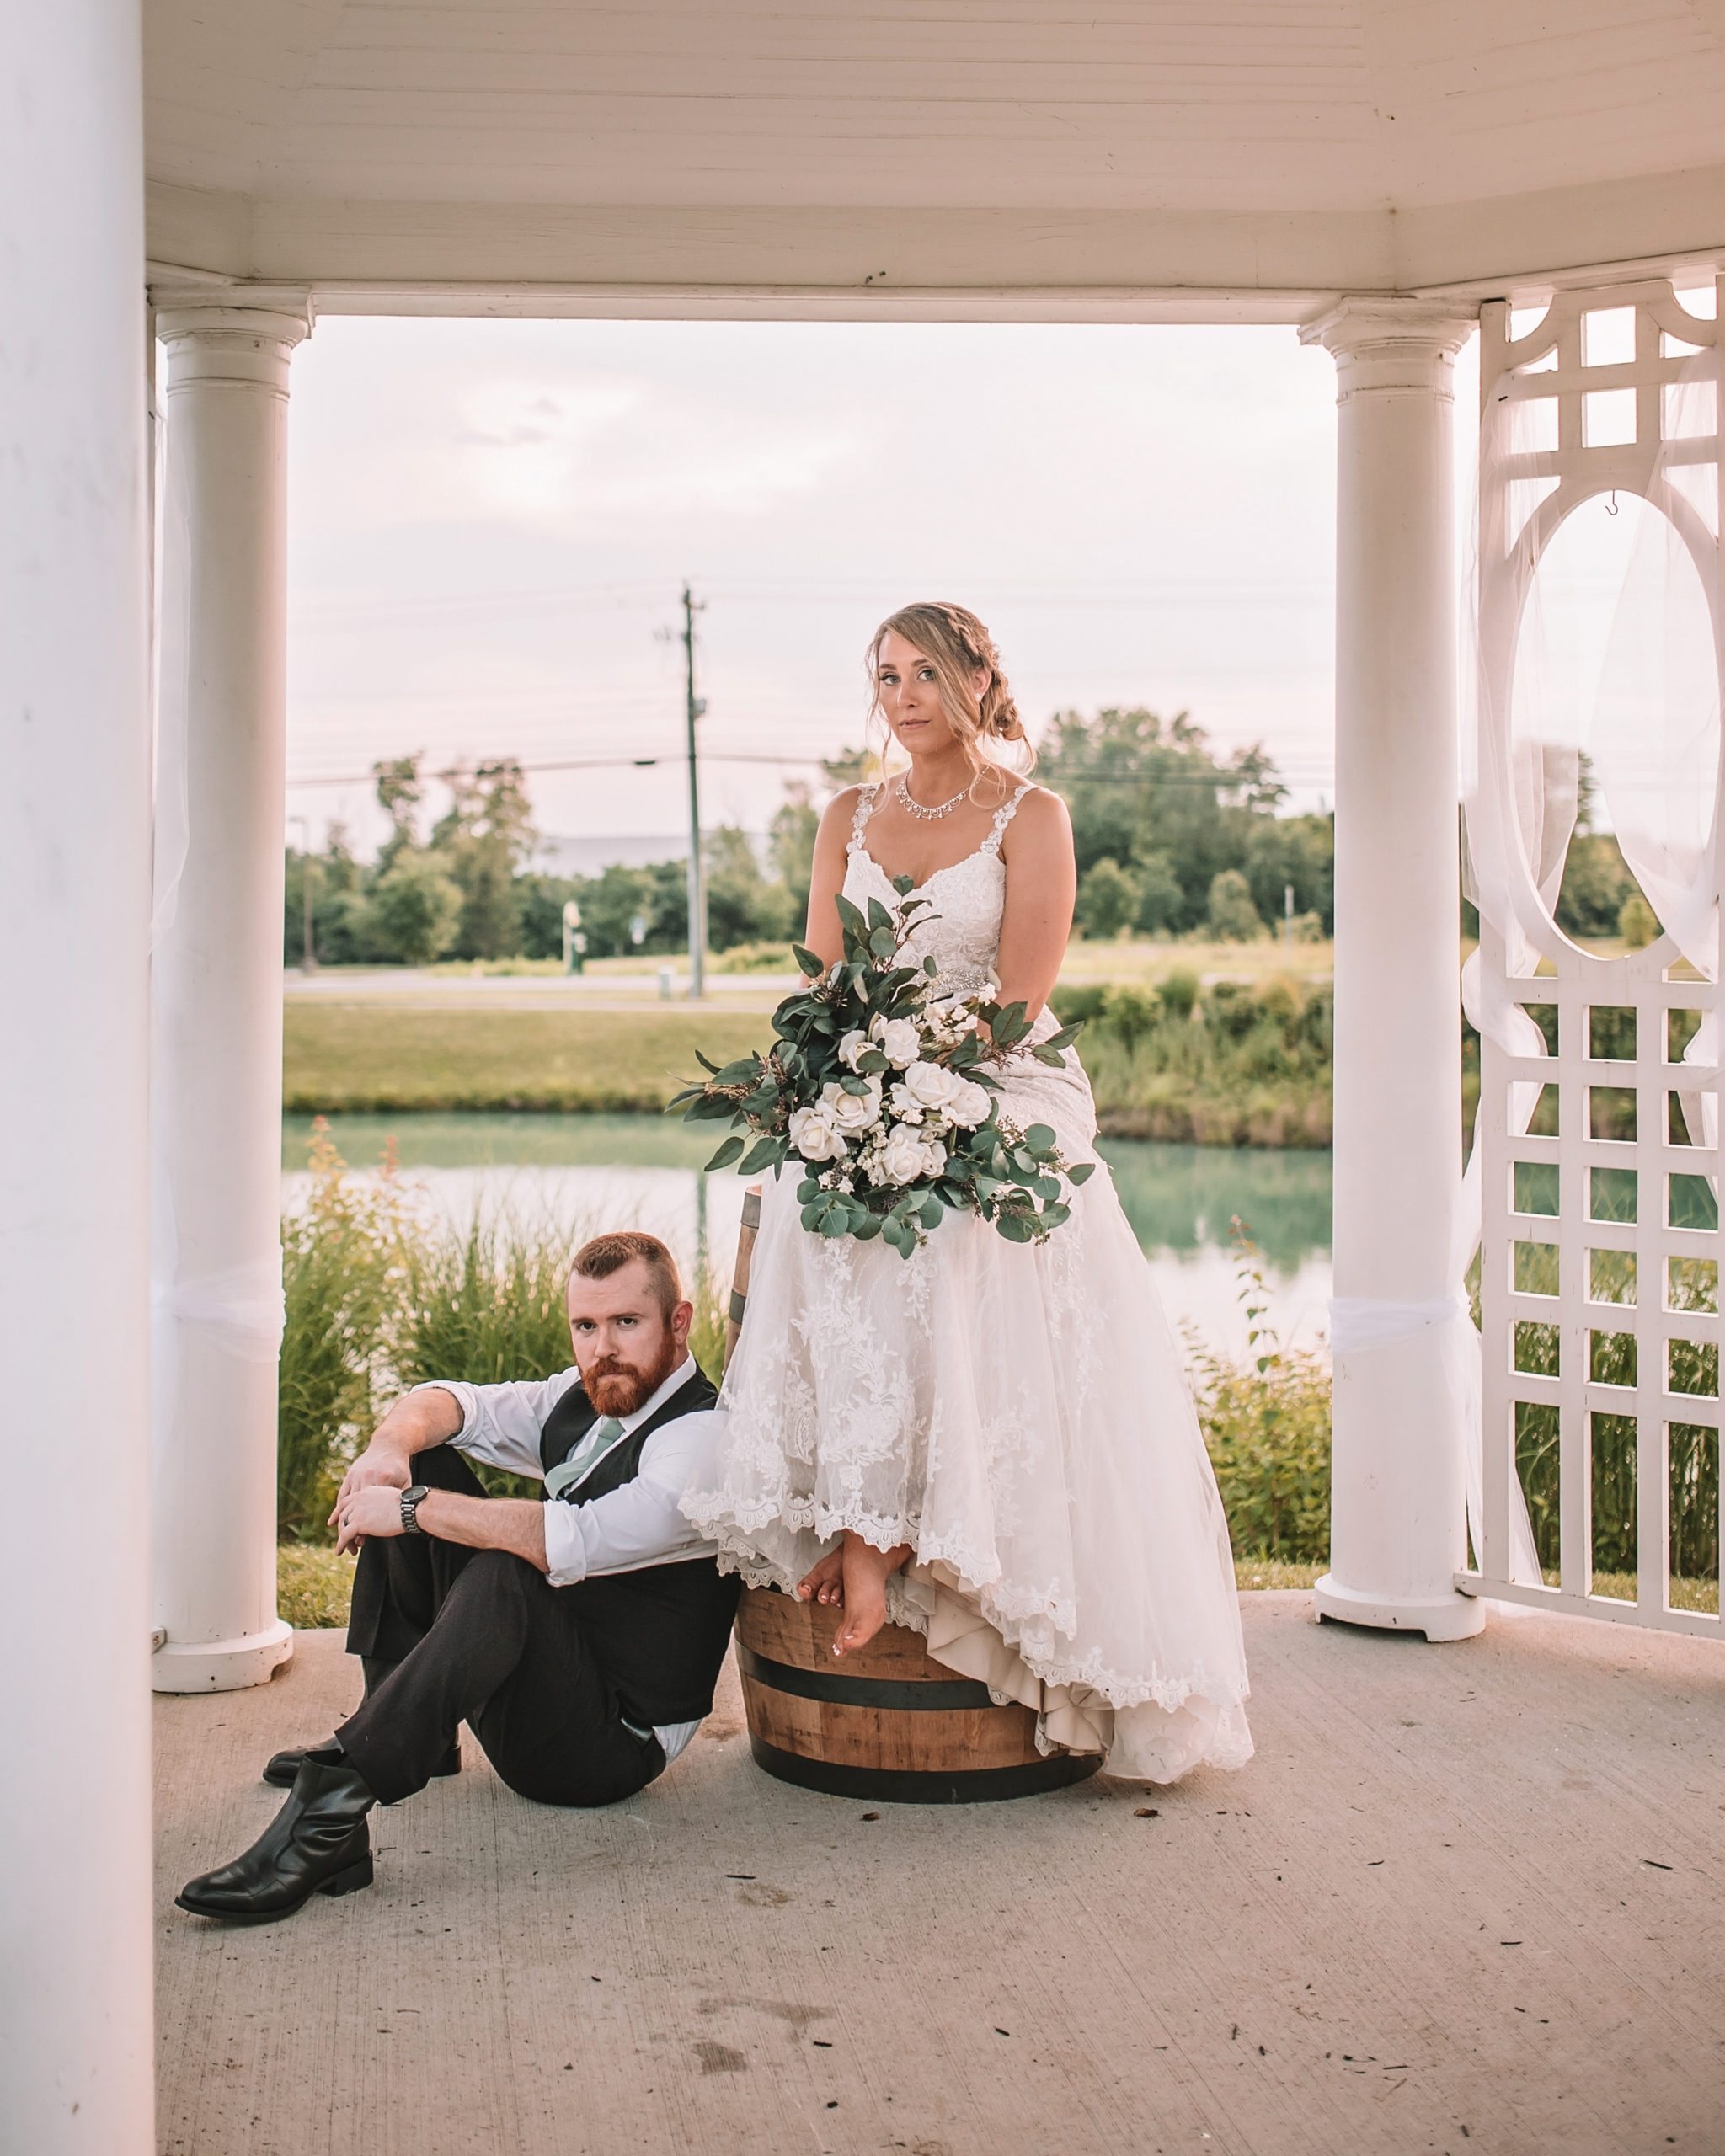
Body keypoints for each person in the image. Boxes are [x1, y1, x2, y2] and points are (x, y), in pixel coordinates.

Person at [681, 602, 1252, 1783]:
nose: (903, 696)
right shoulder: (847, 814)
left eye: (925, 672)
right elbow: (826, 979)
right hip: (872, 1074)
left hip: (1001, 1077)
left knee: (955, 1217)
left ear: (974, 679)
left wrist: (923, 1087)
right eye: (885, 676)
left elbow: (1020, 992)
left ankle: (894, 1535)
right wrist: (848, 1078)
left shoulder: (1031, 816)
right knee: (808, 1191)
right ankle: (854, 1516)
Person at [177, 1231, 737, 1922]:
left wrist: (412, 1510)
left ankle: (331, 1810)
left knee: (494, 1559)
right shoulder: (581, 1395)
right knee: (426, 1463)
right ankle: (396, 1728)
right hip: (556, 1677)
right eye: (585, 1327)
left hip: (608, 1746)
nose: (603, 1350)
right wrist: (389, 1453)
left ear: (678, 1323)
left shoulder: (701, 1440)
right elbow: (449, 1401)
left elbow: (568, 1538)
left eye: (627, 1323)